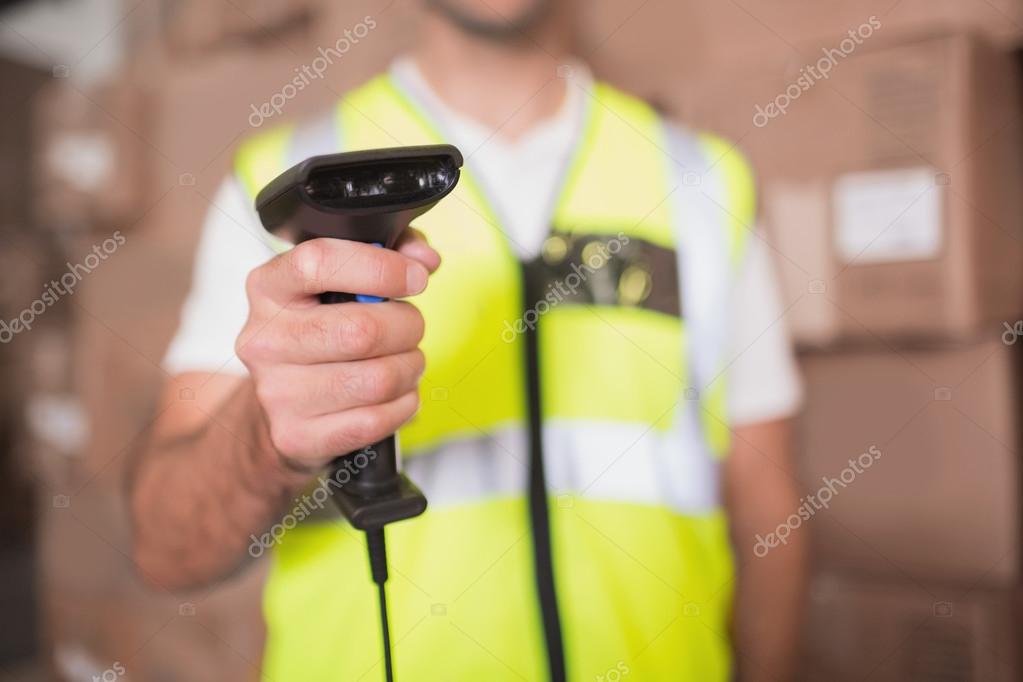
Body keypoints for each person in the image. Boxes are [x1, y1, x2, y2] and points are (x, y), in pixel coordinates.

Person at [129, 0, 807, 679]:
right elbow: (165, 549)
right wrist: (264, 435)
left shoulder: (701, 182)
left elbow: (765, 500)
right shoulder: (275, 181)